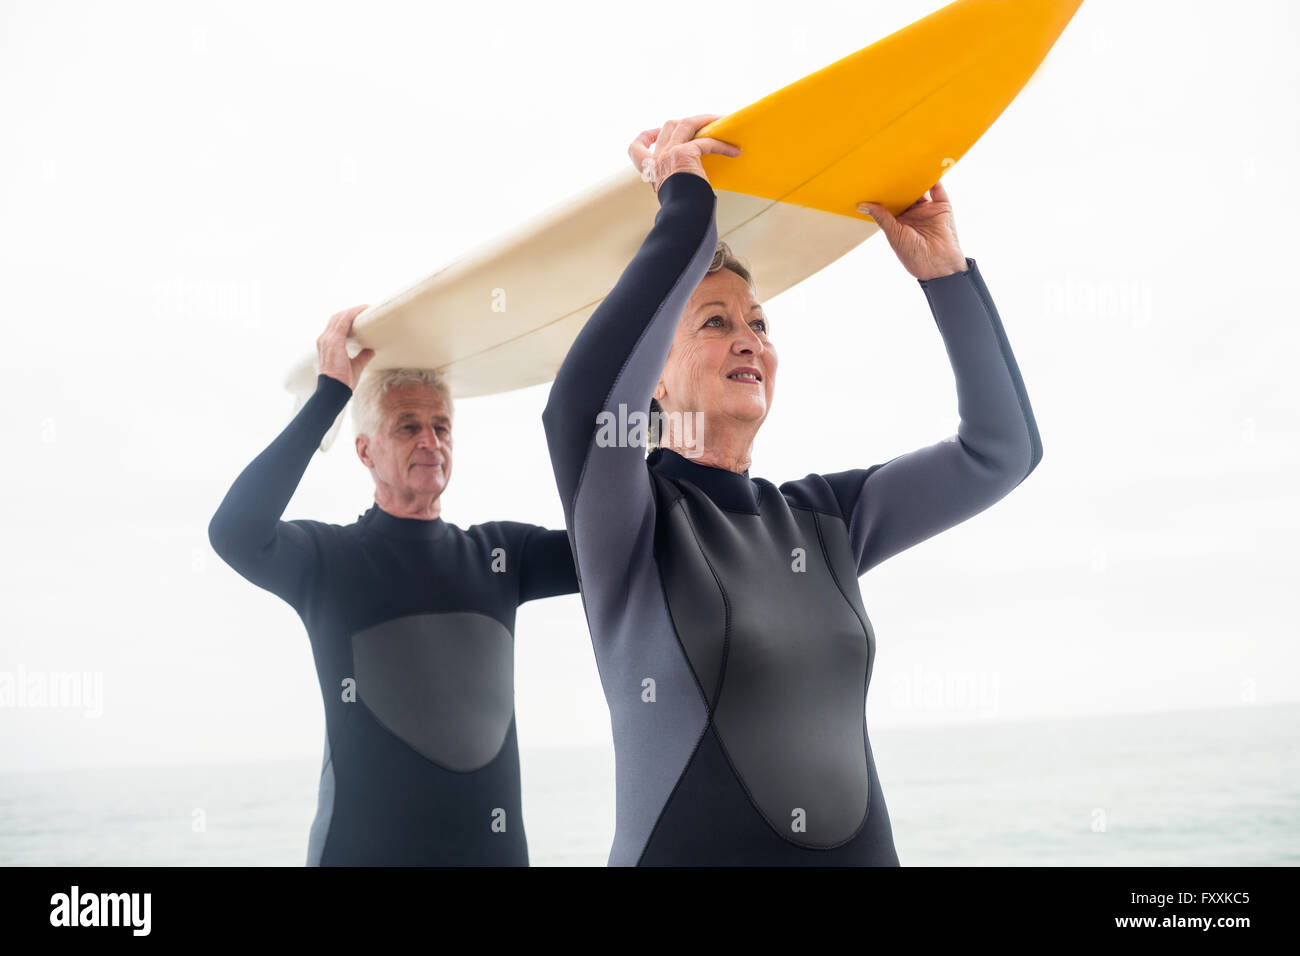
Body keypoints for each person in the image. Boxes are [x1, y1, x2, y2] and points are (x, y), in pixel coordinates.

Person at [542, 115, 1043, 865]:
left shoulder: (826, 520)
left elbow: (1001, 451)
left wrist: (947, 275)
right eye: (715, 322)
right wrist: (684, 207)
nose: (750, 339)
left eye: (760, 322)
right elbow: (578, 407)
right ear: (655, 376)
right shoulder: (629, 524)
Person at [208, 306, 579, 865]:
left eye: (442, 427)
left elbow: (621, 543)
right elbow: (234, 531)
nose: (430, 440)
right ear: (365, 451)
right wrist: (330, 397)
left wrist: (640, 412)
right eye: (408, 426)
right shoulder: (330, 562)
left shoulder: (501, 556)